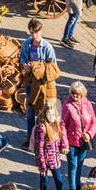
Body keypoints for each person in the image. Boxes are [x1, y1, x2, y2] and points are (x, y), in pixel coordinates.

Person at [19, 17, 58, 146]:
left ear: (41, 31)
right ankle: (30, 138)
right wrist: (25, 65)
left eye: (36, 32)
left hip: (43, 83)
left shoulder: (47, 47)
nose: (34, 35)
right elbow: (23, 59)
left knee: (44, 112)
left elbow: (53, 67)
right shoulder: (26, 44)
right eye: (31, 32)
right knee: (30, 111)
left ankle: (45, 138)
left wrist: (39, 68)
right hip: (30, 82)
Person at [32, 98, 70, 190]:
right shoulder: (41, 128)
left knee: (60, 184)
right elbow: (39, 148)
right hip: (45, 162)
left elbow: (60, 140)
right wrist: (42, 166)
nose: (51, 116)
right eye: (49, 114)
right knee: (45, 183)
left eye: (53, 114)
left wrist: (64, 146)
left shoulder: (55, 126)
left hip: (55, 161)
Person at [61, 81, 96, 190]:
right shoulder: (67, 106)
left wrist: (89, 134)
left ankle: (78, 185)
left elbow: (93, 121)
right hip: (71, 142)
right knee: (73, 166)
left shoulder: (87, 104)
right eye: (73, 93)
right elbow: (62, 125)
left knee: (80, 164)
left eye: (78, 95)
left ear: (83, 95)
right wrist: (64, 144)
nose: (75, 96)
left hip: (83, 141)